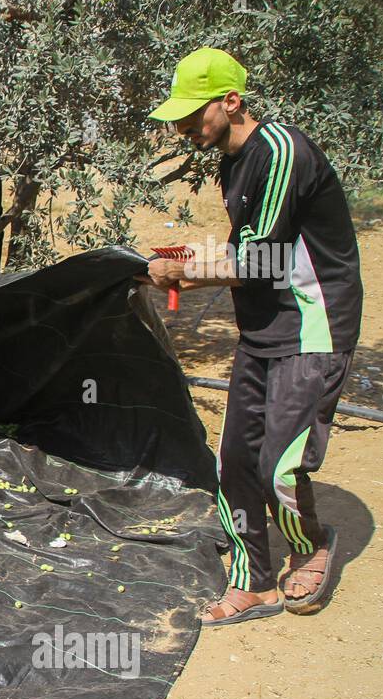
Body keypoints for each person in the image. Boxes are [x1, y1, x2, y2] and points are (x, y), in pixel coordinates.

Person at [140, 48, 363, 626]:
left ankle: (310, 543)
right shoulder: (230, 164)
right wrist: (191, 262)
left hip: (313, 326)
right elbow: (249, 250)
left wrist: (187, 270)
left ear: (232, 101)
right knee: (236, 459)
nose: (182, 127)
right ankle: (255, 581)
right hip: (262, 330)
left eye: (193, 114)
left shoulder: (283, 152)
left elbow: (260, 258)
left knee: (279, 466)